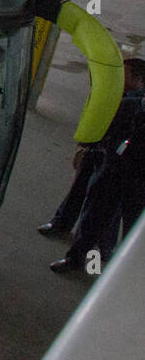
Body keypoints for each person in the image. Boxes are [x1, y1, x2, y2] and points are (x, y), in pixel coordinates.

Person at [50, 57, 145, 273]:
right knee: (94, 220)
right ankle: (76, 260)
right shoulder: (128, 107)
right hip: (113, 174)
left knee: (133, 232)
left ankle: (122, 273)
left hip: (138, 185)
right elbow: (105, 131)